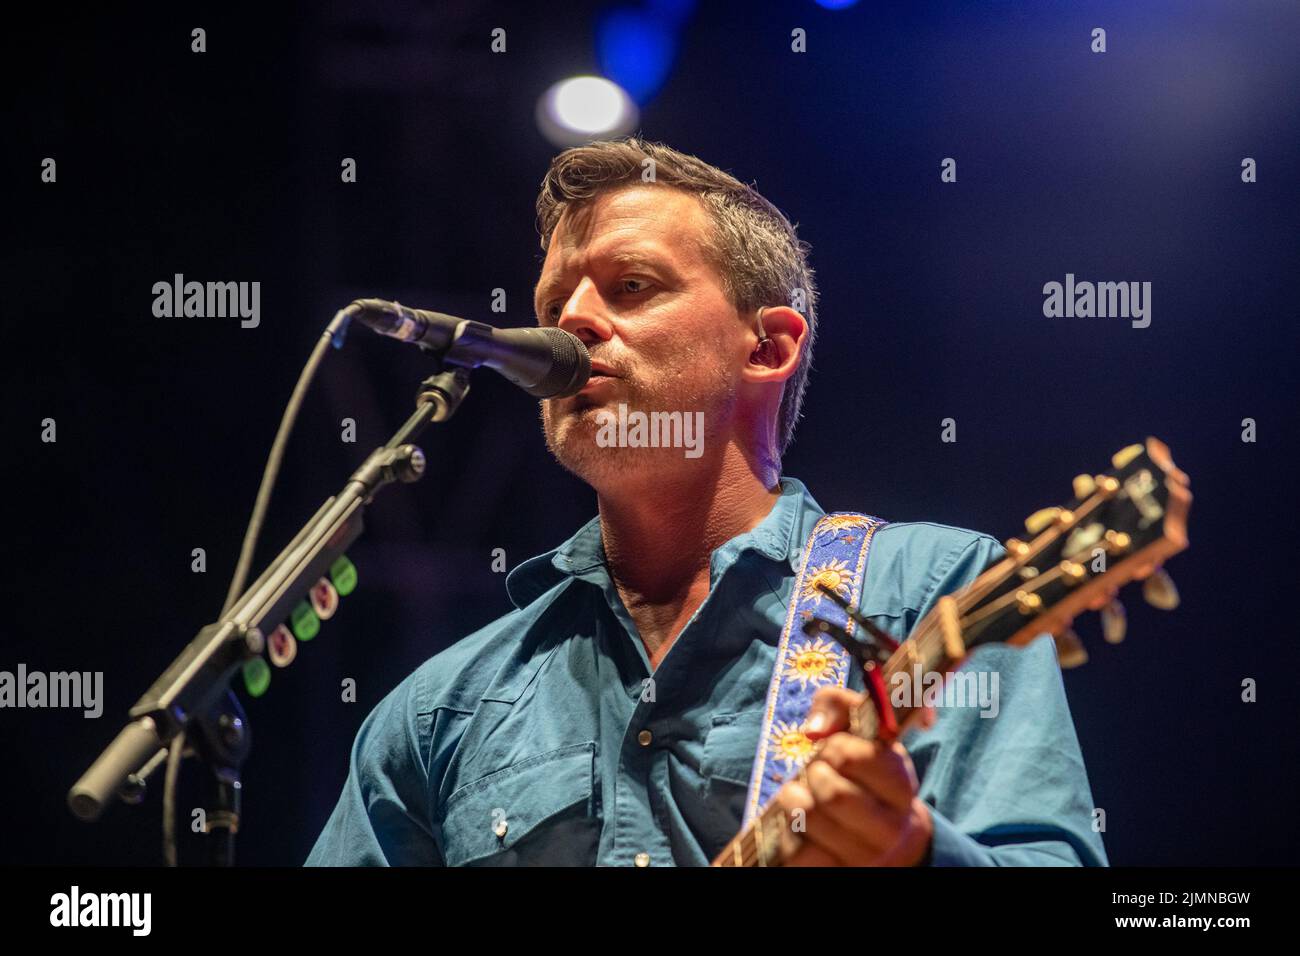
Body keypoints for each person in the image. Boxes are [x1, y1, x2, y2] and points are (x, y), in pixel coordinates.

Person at [306, 138, 1106, 867]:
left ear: (768, 347)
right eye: (553, 309)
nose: (573, 321)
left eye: (631, 285)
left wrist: (909, 851)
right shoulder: (439, 707)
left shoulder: (934, 590)